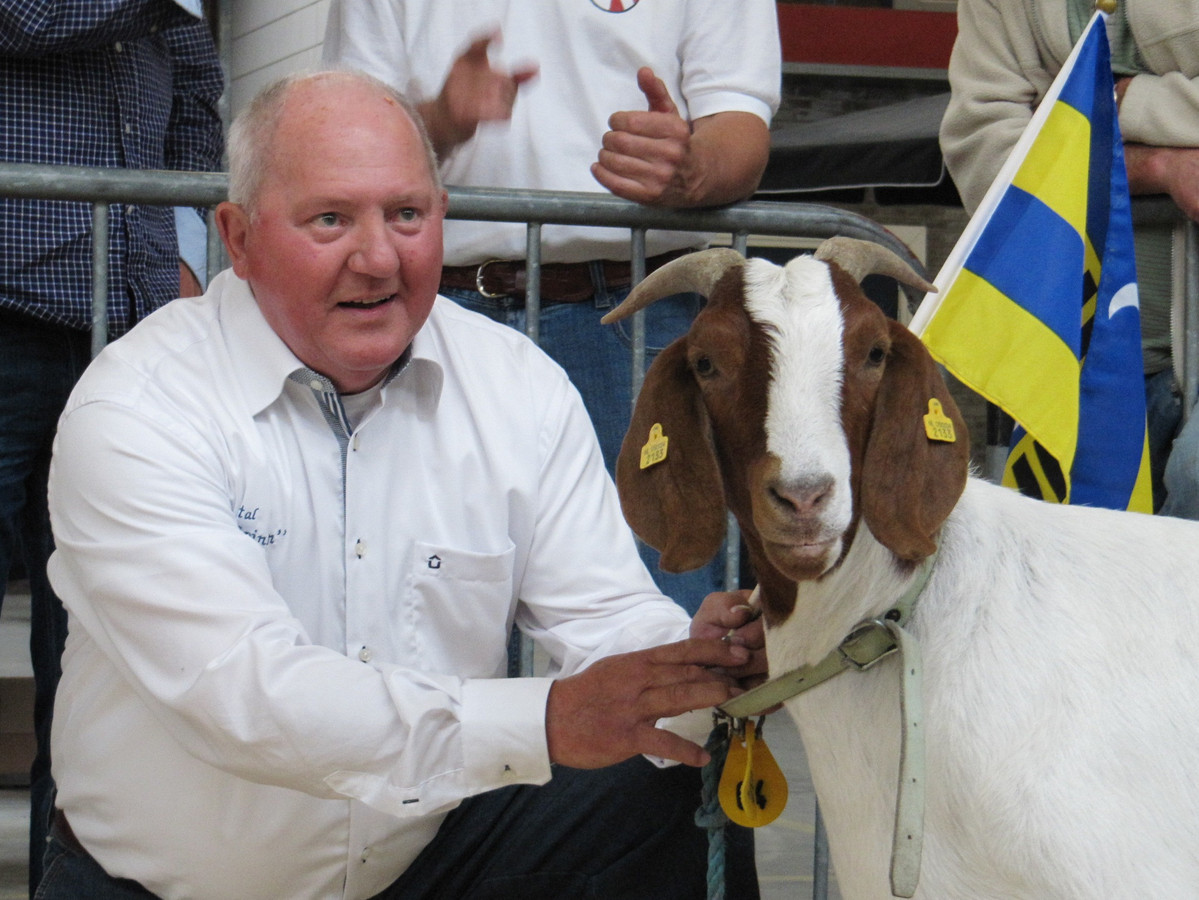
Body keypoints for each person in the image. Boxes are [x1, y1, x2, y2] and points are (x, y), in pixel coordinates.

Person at [38, 70, 766, 900]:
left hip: (426, 861)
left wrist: (690, 669)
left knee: (674, 777)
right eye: (330, 219)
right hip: (162, 887)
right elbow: (246, 696)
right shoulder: (139, 403)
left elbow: (601, 614)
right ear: (236, 240)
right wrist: (548, 719)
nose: (377, 256)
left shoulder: (513, 384)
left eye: (406, 215)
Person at [322, 1, 782, 613]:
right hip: (434, 313)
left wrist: (695, 169)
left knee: (659, 612)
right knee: (424, 608)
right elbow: (345, 136)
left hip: (632, 311)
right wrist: (434, 123)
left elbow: (742, 126)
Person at [0, 2, 224, 891]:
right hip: (10, 322)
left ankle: (67, 879)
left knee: (91, 652)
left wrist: (184, 251)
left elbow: (198, 116)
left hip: (119, 345)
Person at [939, 0, 1199, 516]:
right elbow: (989, 157)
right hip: (1077, 358)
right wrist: (1162, 165)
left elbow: (1032, 146)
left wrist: (1102, 108)